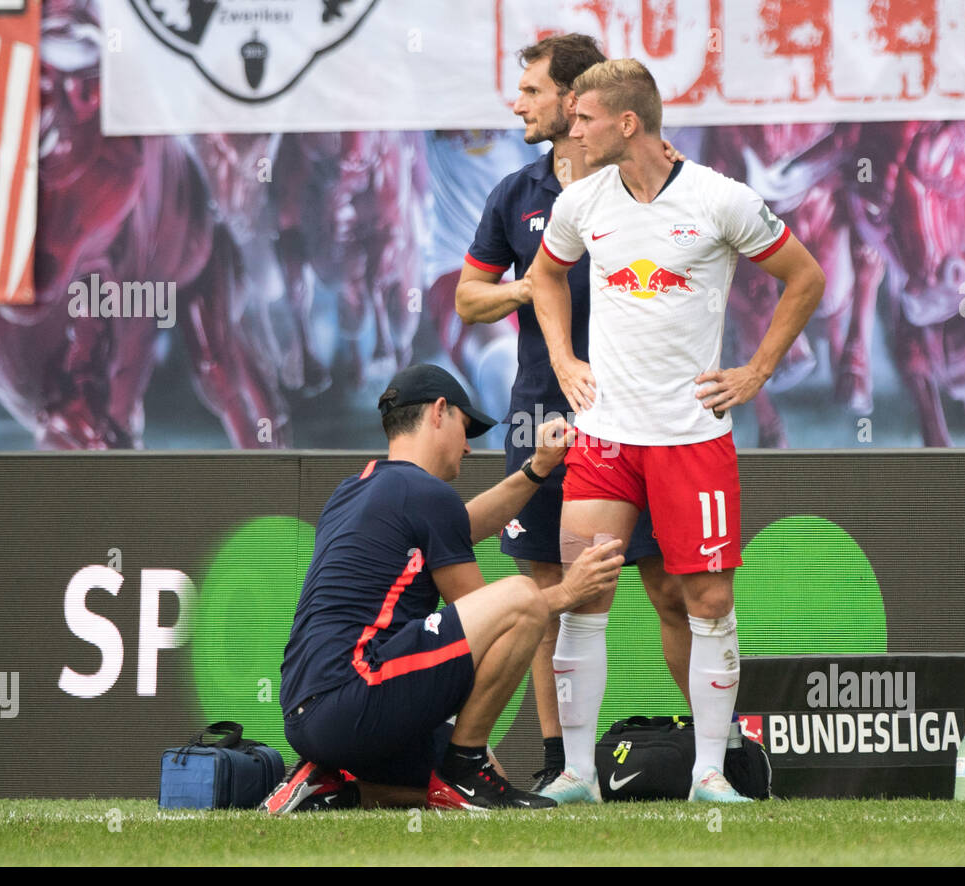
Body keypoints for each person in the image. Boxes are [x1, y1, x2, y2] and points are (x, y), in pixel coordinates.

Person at [530, 59, 826, 803]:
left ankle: (709, 776)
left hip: (691, 440)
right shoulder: (580, 199)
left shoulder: (720, 200)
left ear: (627, 124)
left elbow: (807, 277)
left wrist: (753, 374)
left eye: (585, 118)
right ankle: (573, 774)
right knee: (581, 596)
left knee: (708, 605)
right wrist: (564, 358)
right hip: (604, 439)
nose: (574, 129)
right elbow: (541, 276)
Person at [455, 34, 691, 792]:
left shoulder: (655, 185)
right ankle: (565, 765)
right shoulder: (516, 194)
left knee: (669, 590)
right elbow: (466, 299)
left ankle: (722, 758)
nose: (516, 103)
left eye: (530, 90)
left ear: (573, 98)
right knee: (548, 592)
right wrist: (535, 285)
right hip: (543, 422)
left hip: (642, 421)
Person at [268, 363, 623, 812]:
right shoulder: (427, 496)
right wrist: (568, 593)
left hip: (306, 716)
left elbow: (462, 524)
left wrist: (536, 469)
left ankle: (336, 787)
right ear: (439, 412)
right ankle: (465, 768)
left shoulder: (353, 491)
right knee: (520, 597)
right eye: (466, 426)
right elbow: (497, 616)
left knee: (481, 778)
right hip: (356, 694)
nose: (469, 447)